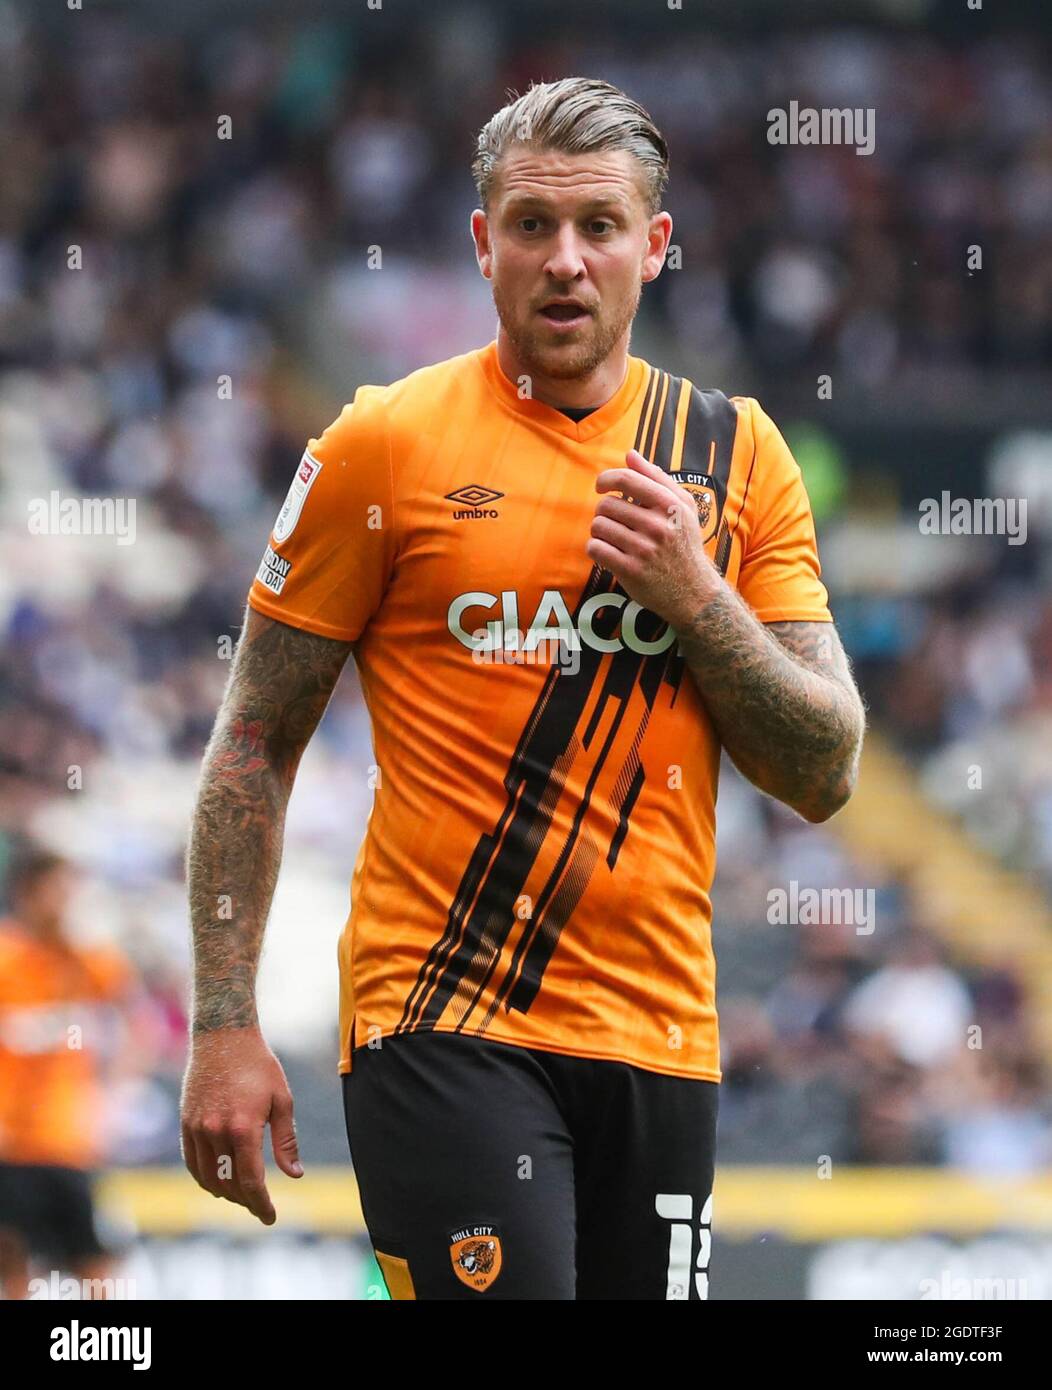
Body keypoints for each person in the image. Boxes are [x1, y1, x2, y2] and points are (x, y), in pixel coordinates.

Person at [181, 77, 865, 1300]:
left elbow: (824, 768)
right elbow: (252, 744)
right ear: (479, 241)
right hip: (441, 1016)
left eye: (598, 226)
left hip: (661, 1034)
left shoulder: (733, 455)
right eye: (531, 225)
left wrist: (696, 599)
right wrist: (223, 1023)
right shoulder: (382, 444)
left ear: (653, 247)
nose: (564, 261)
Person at [0, 847, 136, 1299]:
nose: (65, 901)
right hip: (12, 1145)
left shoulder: (86, 961)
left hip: (69, 1144)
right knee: (14, 1259)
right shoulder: (7, 959)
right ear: (27, 892)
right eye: (55, 889)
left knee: (94, 1264)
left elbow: (138, 1021)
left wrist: (119, 1091)